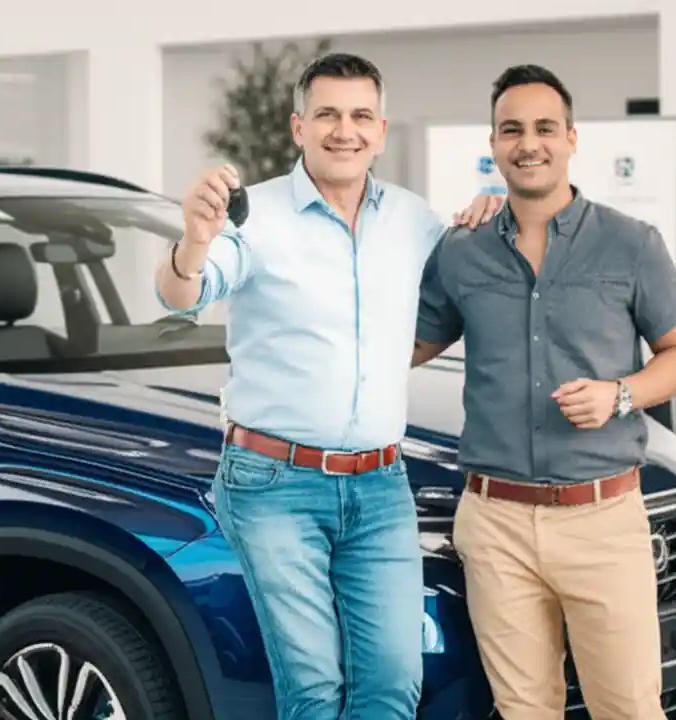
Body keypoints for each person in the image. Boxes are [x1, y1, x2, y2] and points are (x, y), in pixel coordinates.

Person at [156, 52, 501, 719]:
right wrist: (194, 241)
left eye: (360, 115)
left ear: (381, 128)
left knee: (392, 687)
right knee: (314, 692)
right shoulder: (255, 215)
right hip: (274, 485)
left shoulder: (411, 219)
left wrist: (487, 216)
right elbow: (181, 292)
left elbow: (461, 290)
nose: (345, 130)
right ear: (298, 127)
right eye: (328, 115)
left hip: (379, 487)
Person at [412, 63, 676, 719]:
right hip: (494, 523)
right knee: (523, 709)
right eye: (512, 129)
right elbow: (408, 346)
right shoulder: (463, 250)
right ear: (494, 146)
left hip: (602, 521)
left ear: (571, 138)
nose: (529, 142)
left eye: (545, 127)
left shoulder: (631, 245)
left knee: (627, 707)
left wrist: (620, 395)